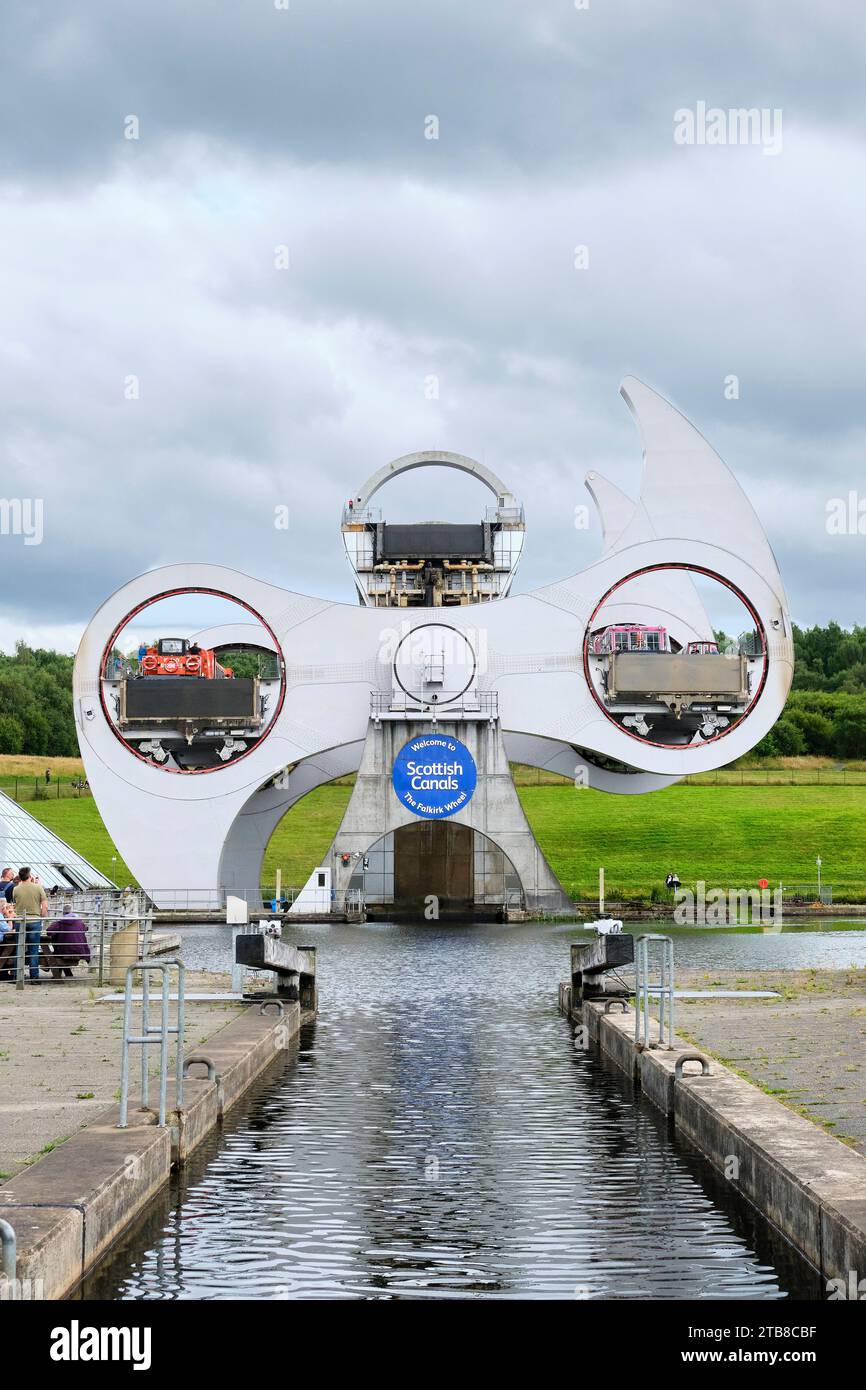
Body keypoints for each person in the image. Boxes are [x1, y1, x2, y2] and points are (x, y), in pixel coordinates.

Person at [12, 868, 48, 982]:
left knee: (19, 948)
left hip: (20, 921)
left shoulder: (16, 889)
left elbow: (14, 903)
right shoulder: (38, 887)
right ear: (29, 876)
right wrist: (41, 916)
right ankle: (34, 977)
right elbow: (45, 906)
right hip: (34, 921)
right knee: (33, 949)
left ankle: (17, 975)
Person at [44, 911, 91, 979]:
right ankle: (64, 973)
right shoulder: (80, 923)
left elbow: (49, 931)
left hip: (65, 951)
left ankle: (48, 966)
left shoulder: (60, 922)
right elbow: (86, 929)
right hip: (80, 951)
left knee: (57, 953)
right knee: (59, 952)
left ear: (63, 914)